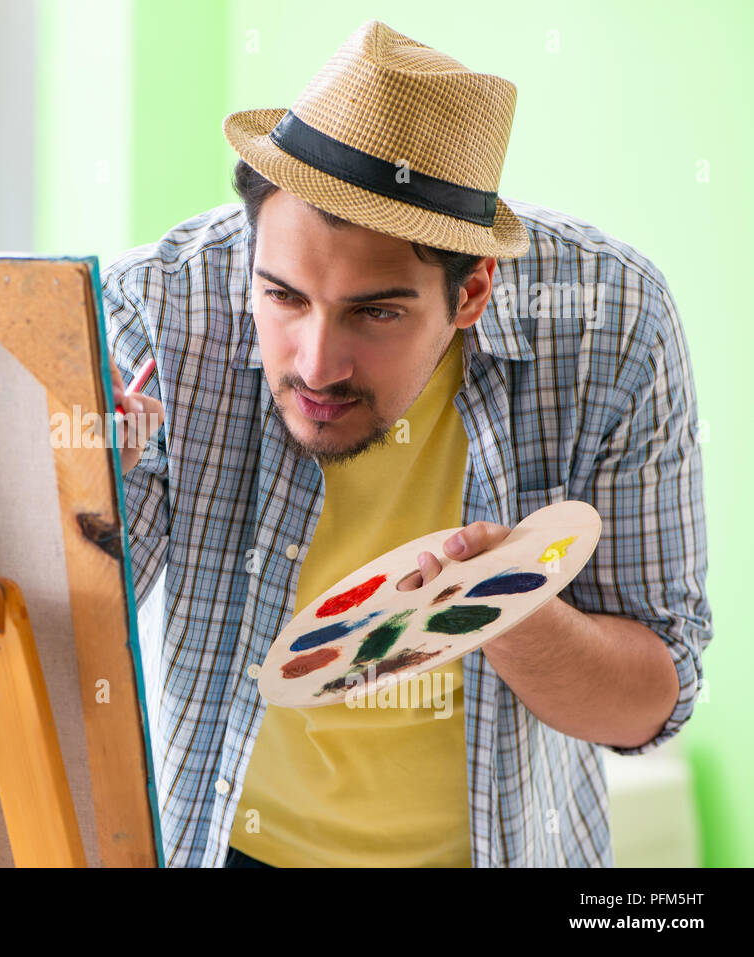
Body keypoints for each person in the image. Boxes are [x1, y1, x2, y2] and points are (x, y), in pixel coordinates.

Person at [104, 19, 711, 867]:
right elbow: (68, 614)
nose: (315, 364)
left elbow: (650, 703)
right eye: (282, 297)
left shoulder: (614, 327)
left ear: (472, 293)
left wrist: (501, 606)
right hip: (230, 847)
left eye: (375, 312)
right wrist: (73, 493)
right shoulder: (163, 310)